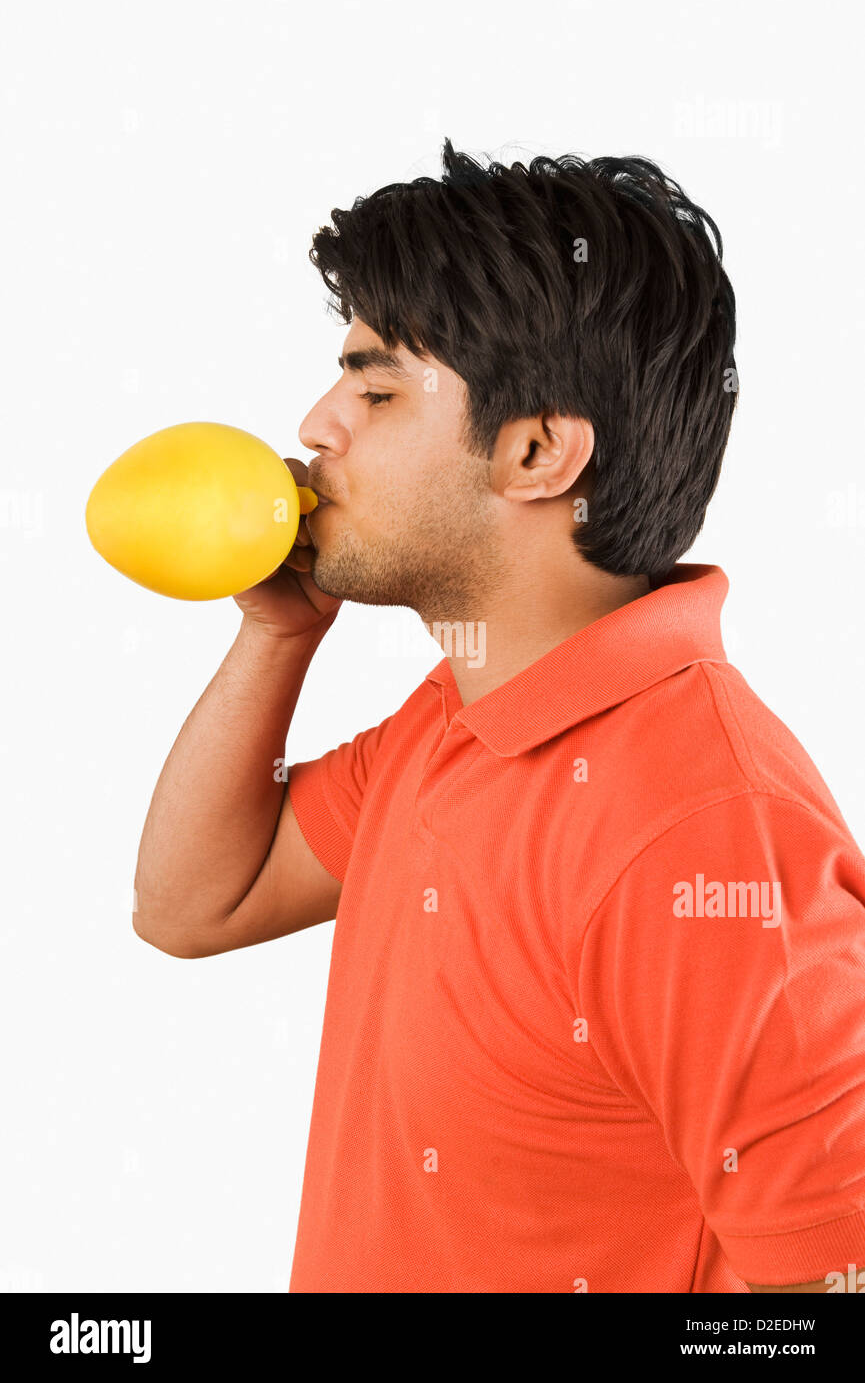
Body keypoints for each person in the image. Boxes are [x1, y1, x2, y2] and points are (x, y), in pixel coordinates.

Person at [133, 139, 865, 1294]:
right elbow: (190, 903)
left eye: (375, 390)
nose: (318, 426)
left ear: (533, 452)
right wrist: (278, 634)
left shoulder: (709, 833)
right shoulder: (455, 716)